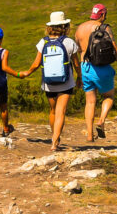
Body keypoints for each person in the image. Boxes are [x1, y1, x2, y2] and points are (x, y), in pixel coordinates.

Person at [18, 11, 80, 151]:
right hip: (66, 83)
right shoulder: (69, 42)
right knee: (61, 111)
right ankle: (55, 143)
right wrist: (80, 78)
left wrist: (27, 73)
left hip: (48, 83)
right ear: (64, 26)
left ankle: (54, 136)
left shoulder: (43, 42)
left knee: (52, 111)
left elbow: (35, 64)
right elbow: (76, 64)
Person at [74, 3, 117, 141]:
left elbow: (78, 50)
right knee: (108, 96)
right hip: (102, 68)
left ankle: (90, 135)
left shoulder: (80, 28)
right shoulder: (105, 28)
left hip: (85, 67)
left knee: (90, 102)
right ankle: (101, 120)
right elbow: (115, 48)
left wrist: (79, 75)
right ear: (102, 15)